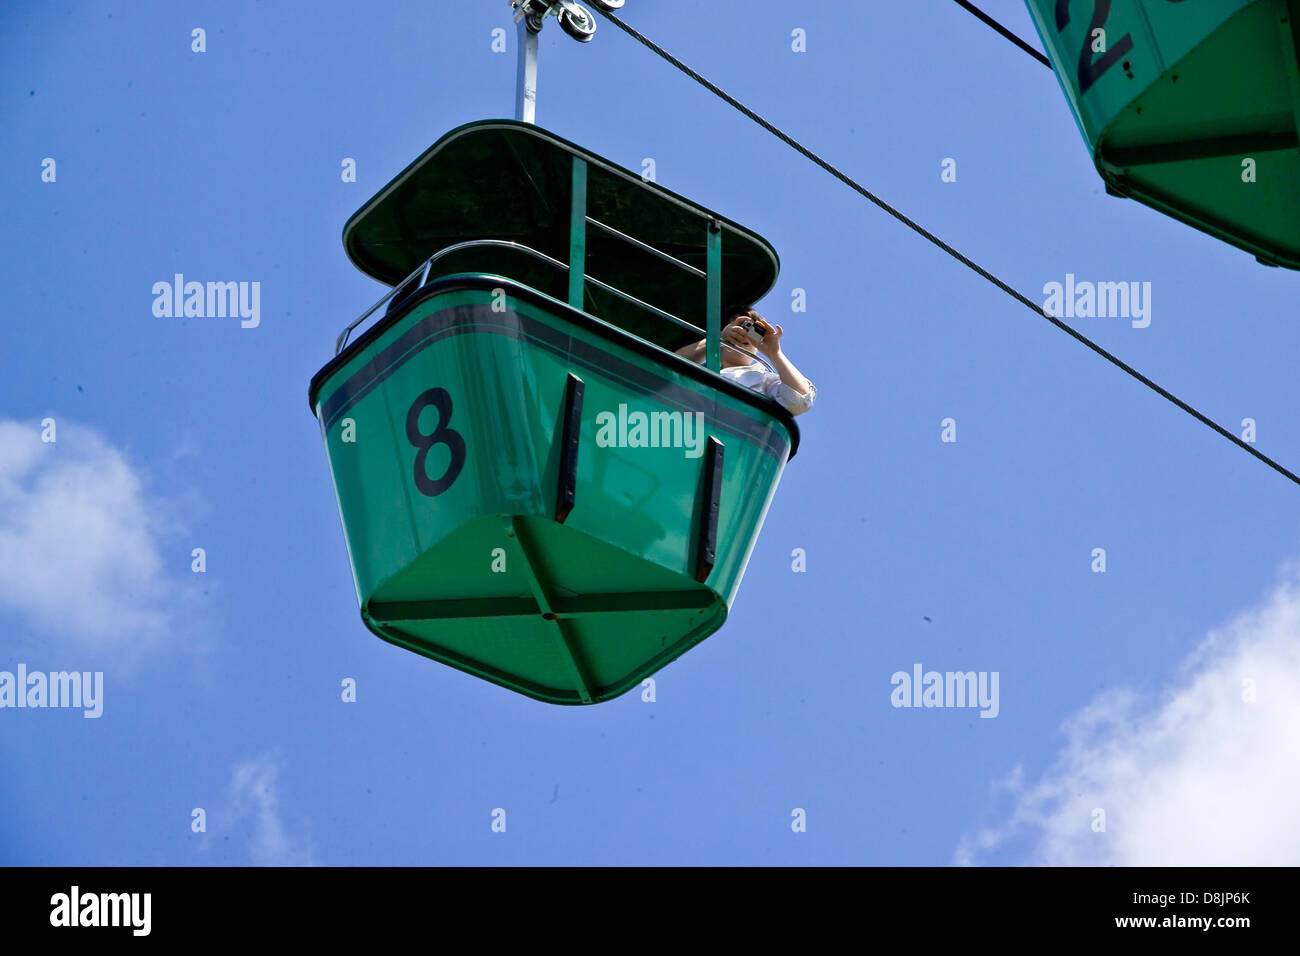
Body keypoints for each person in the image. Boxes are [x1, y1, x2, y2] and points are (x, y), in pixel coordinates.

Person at [674, 307, 816, 416]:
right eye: (734, 327)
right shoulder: (697, 369)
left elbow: (800, 400)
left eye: (750, 329)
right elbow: (668, 367)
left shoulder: (763, 379)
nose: (742, 334)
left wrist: (774, 353)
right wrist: (717, 340)